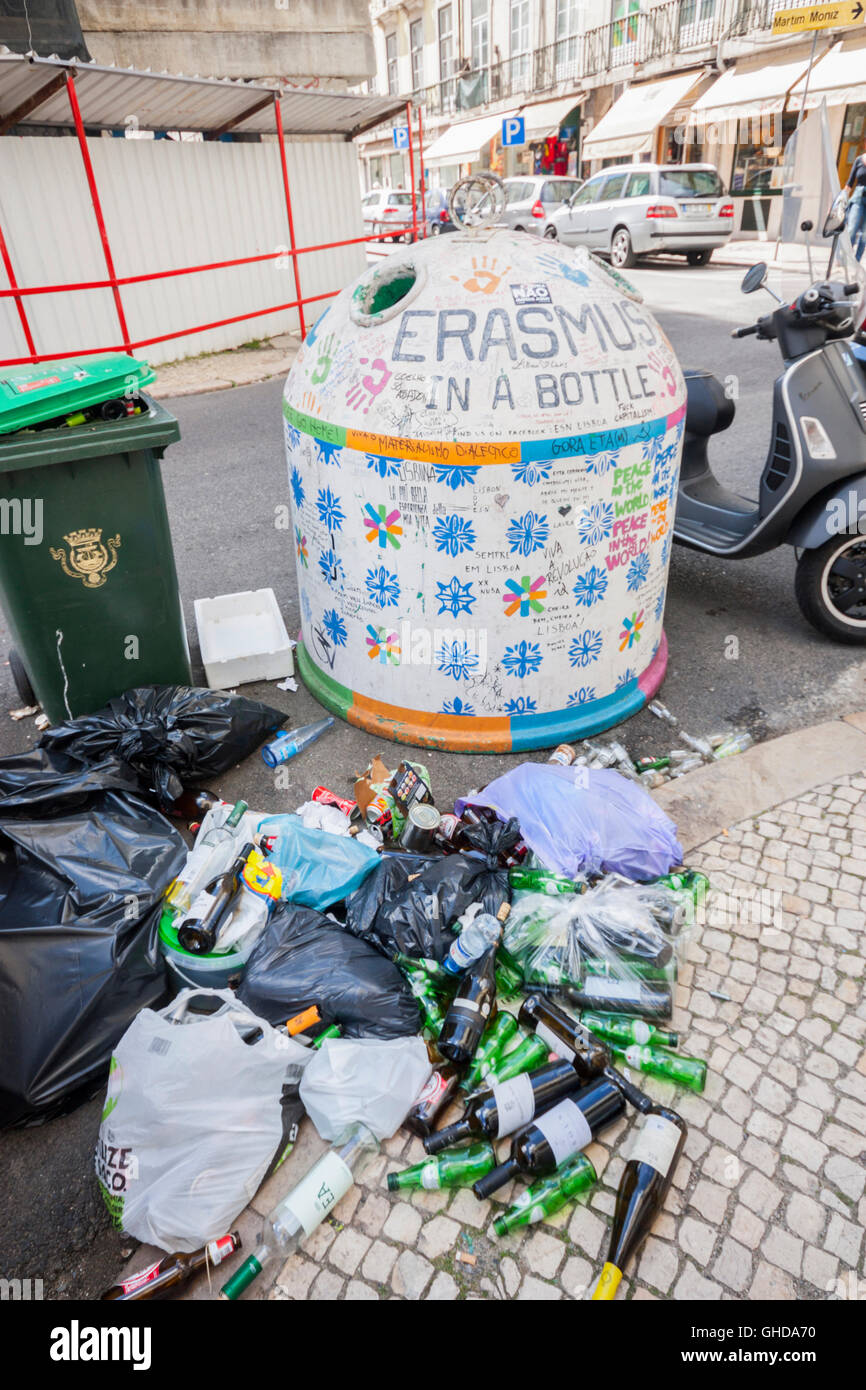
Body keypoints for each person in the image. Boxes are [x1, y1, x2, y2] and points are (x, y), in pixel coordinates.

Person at [844, 135, 866, 260]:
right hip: (858, 198)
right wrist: (841, 200)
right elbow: (850, 182)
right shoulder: (859, 160)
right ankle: (846, 258)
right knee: (852, 228)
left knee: (865, 235)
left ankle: (856, 261)